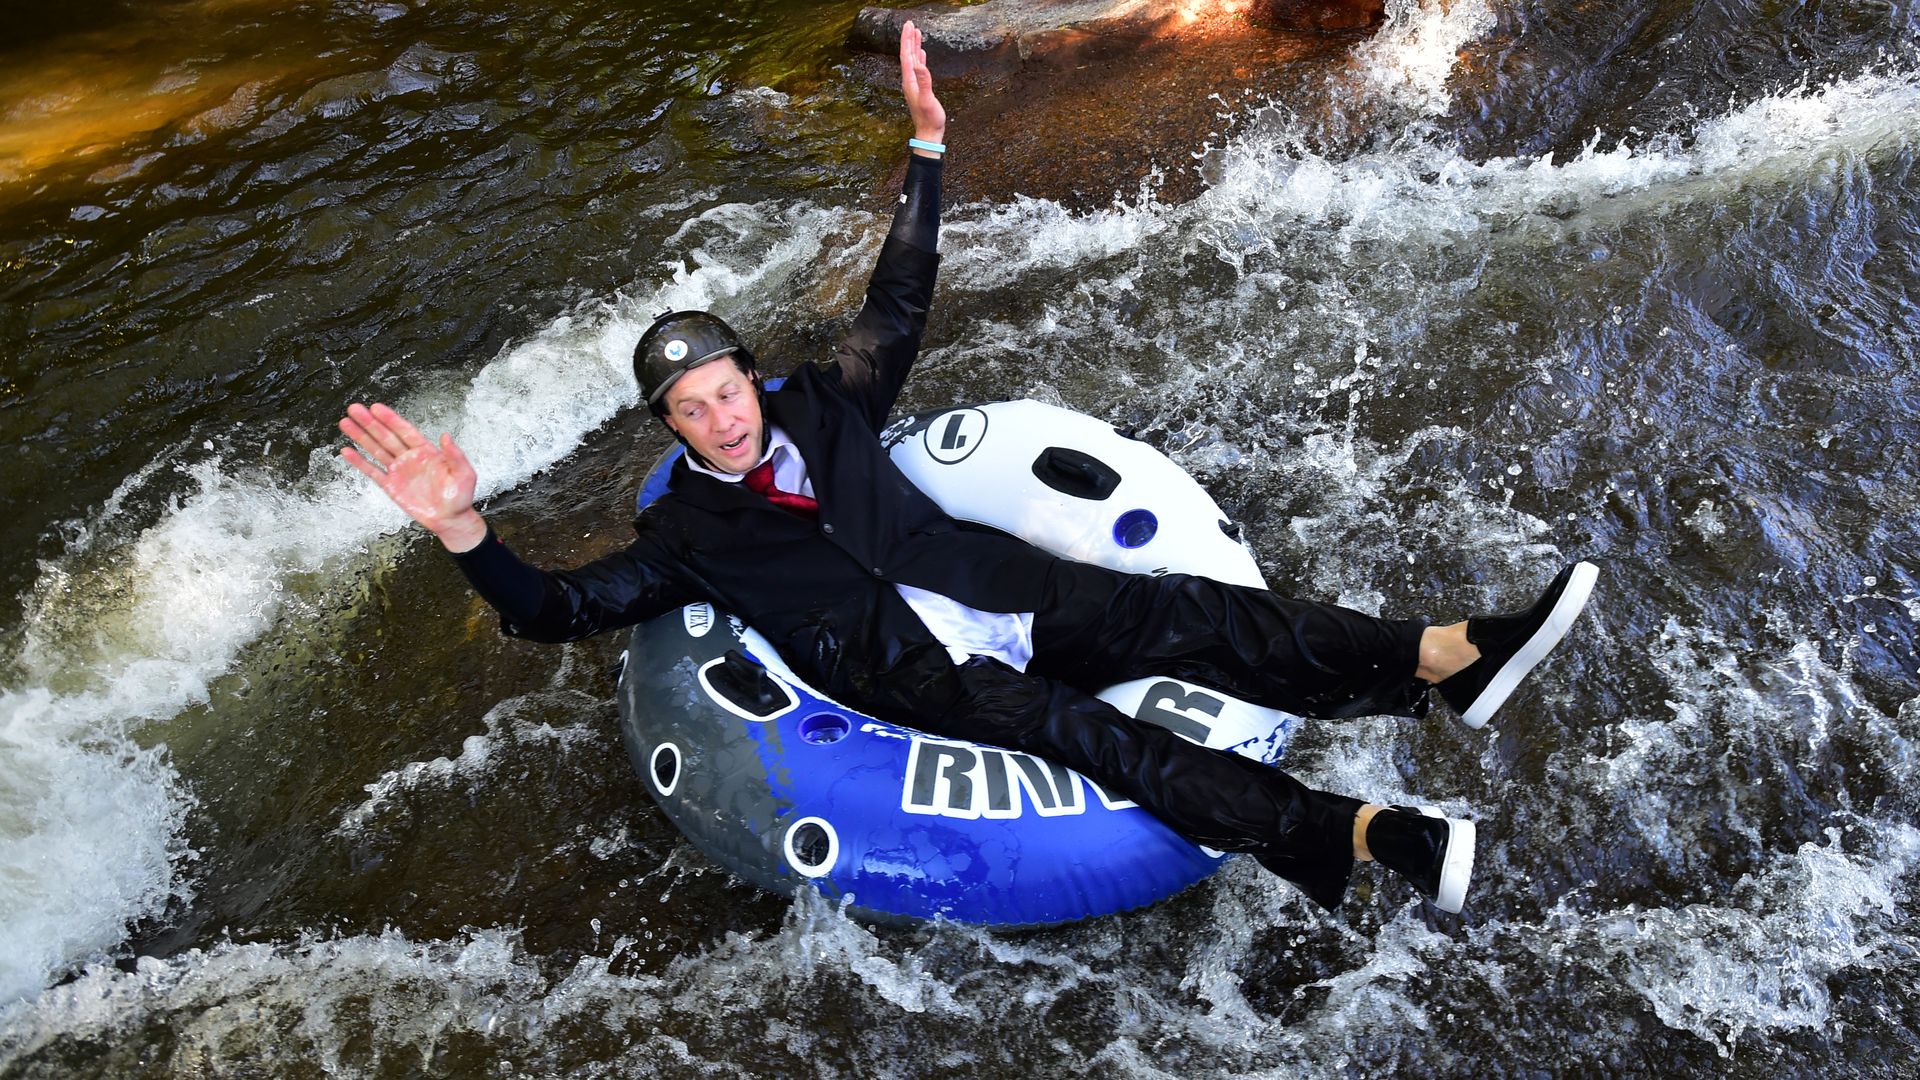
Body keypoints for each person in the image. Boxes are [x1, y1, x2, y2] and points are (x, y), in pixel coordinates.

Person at [339, 22, 1596, 916]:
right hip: (925, 679)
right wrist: (463, 530)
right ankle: (1369, 836)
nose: (719, 420)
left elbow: (898, 300)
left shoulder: (826, 404)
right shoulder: (687, 541)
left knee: (1203, 615)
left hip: (1009, 590)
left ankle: (1449, 656)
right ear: (668, 427)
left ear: (749, 378)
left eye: (724, 390)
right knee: (1102, 743)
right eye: (689, 410)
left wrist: (929, 153)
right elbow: (556, 609)